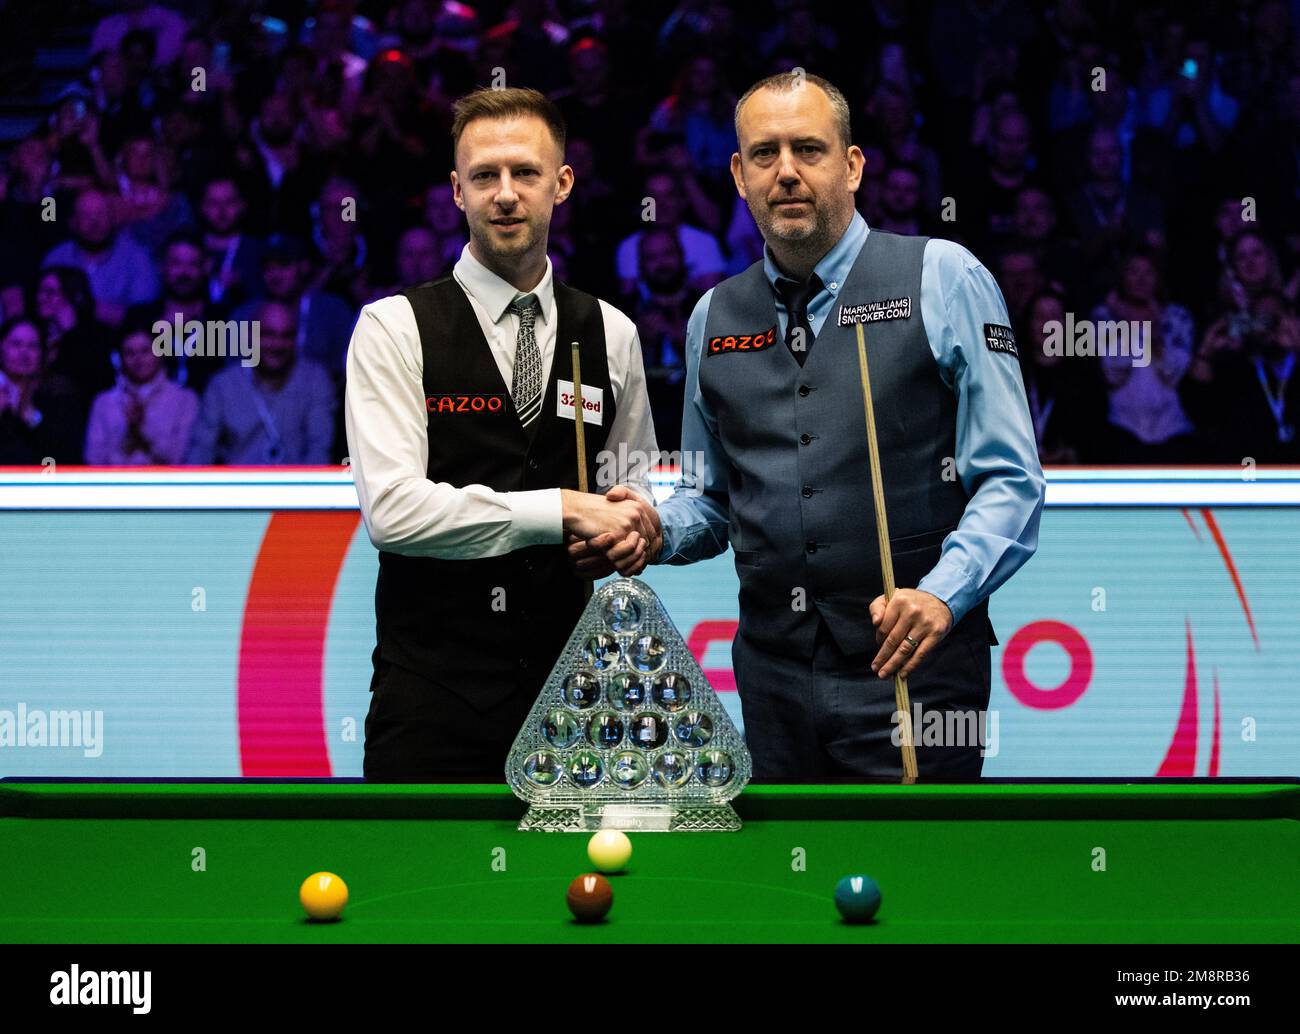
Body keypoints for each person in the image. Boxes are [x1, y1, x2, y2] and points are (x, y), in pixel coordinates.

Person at [616, 72, 1046, 781]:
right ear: (738, 175)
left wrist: (943, 592)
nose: (786, 171)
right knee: (792, 879)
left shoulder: (944, 277)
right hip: (772, 673)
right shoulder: (712, 319)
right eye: (764, 154)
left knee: (917, 882)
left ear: (851, 165)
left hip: (916, 668)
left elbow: (1011, 481)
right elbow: (712, 499)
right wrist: (659, 529)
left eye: (809, 150)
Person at [344, 87, 659, 781]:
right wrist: (563, 508)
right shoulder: (393, 327)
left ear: (562, 183)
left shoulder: (612, 331)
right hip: (430, 701)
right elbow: (394, 512)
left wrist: (634, 522)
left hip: (575, 696)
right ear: (457, 191)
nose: (506, 194)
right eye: (484, 176)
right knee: (417, 891)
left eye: (526, 173)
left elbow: (631, 483)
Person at [185, 299, 336, 464]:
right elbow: (200, 452)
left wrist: (308, 488)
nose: (277, 345)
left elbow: (319, 450)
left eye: (286, 336)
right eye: (268, 334)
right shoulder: (223, 386)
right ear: (250, 335)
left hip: (298, 486)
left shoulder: (315, 380)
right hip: (237, 486)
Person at [84, 323, 199, 465]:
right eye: (130, 353)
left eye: (145, 351)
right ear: (119, 358)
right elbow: (92, 460)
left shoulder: (184, 399)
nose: (138, 360)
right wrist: (128, 431)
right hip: (115, 485)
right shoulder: (104, 402)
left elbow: (180, 458)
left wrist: (143, 428)